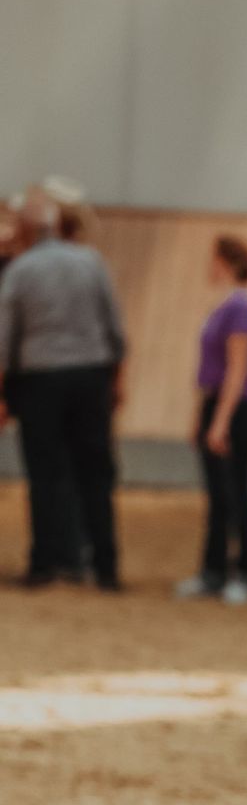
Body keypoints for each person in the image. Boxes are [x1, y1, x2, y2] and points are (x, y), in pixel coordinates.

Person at [0, 185, 126, 589]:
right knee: (94, 473)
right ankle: (105, 565)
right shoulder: (91, 263)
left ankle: (44, 564)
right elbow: (115, 328)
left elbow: (5, 340)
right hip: (91, 377)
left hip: (40, 382)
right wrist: (116, 378)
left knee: (44, 474)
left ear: (25, 229)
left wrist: (2, 390)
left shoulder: (20, 271)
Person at [177, 235, 247, 603]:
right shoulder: (225, 305)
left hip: (236, 408)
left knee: (237, 492)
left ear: (225, 262)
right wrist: (203, 414)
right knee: (217, 494)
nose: (208, 267)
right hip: (218, 404)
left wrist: (221, 422)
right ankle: (213, 570)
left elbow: (236, 370)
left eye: (213, 260)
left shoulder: (241, 307)